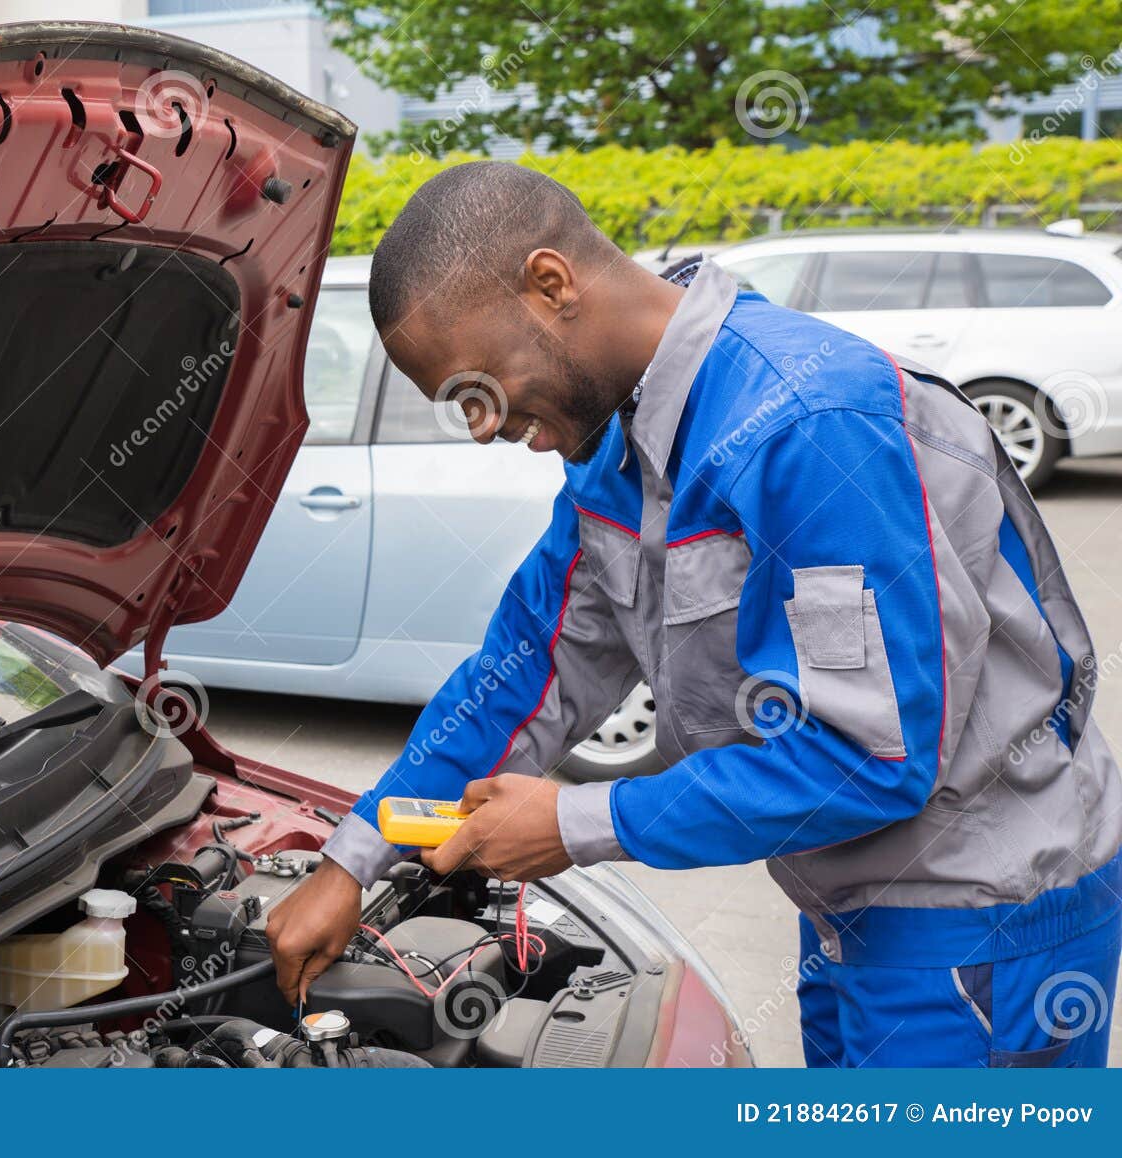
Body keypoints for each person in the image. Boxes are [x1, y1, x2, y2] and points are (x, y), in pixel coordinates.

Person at [265, 161, 1122, 1067]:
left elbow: (869, 758)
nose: (480, 427)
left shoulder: (805, 422)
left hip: (978, 931)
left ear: (550, 285)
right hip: (851, 911)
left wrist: (573, 823)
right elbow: (526, 673)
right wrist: (350, 858)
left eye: (477, 386)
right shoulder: (617, 451)